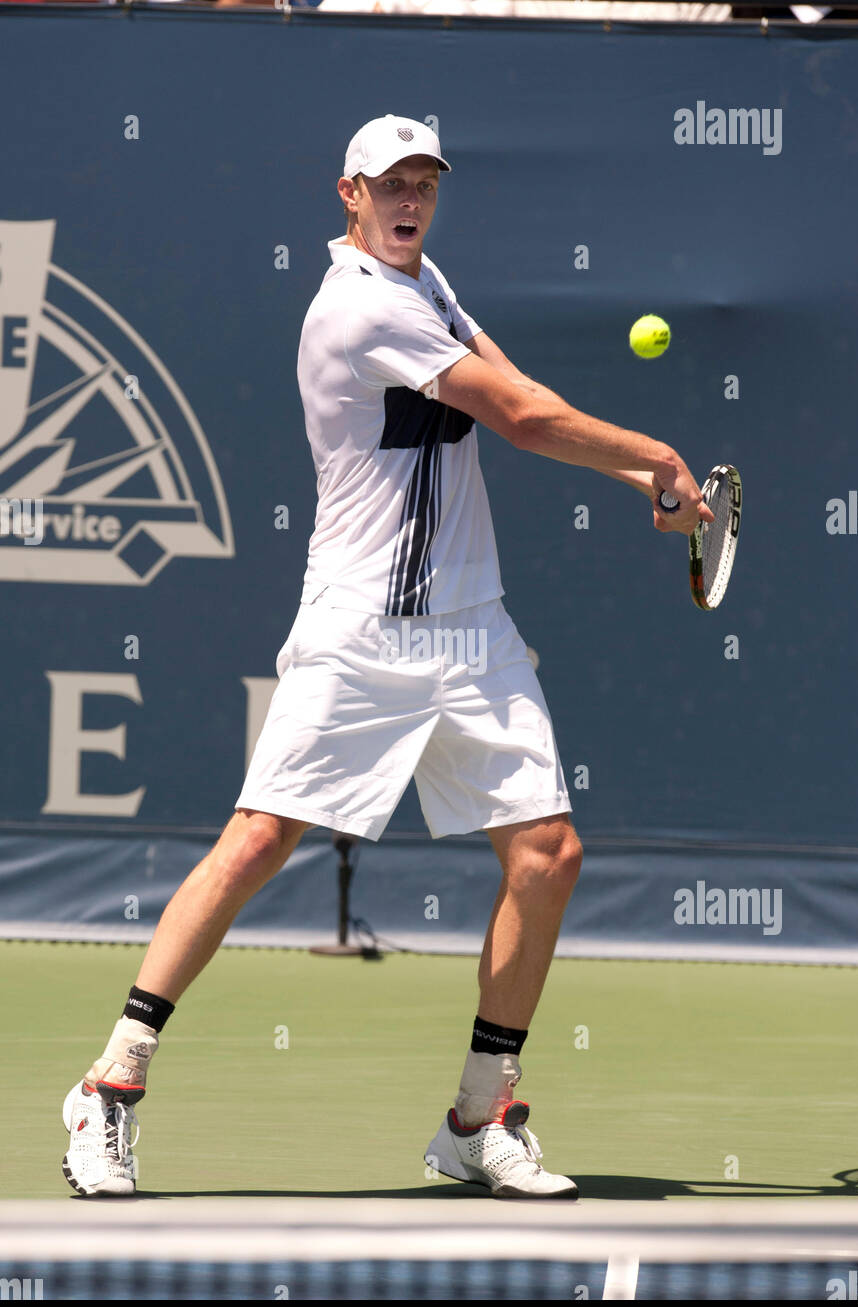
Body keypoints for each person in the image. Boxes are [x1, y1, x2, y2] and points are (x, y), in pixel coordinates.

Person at [61, 113, 711, 1201]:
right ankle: (110, 1085)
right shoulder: (357, 304)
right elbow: (512, 416)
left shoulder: (423, 280)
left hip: (470, 627)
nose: (410, 199)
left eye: (425, 181)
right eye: (388, 183)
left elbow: (513, 387)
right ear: (346, 195)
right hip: (360, 624)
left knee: (547, 854)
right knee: (261, 837)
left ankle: (477, 1115)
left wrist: (632, 486)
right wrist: (654, 455)